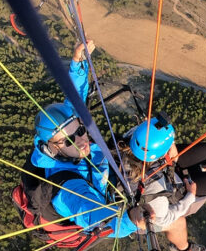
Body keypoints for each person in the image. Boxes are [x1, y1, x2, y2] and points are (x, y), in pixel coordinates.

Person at [29, 40, 144, 239]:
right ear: (52, 150)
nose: (81, 139)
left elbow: (75, 100)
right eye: (68, 141)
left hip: (100, 172)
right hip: (102, 198)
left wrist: (78, 63)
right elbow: (91, 214)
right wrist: (128, 222)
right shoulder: (67, 190)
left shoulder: (75, 151)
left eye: (81, 130)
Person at [118, 116, 206, 251]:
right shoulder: (154, 195)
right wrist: (190, 195)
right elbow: (167, 218)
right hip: (176, 192)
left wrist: (169, 152)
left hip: (167, 168)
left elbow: (153, 139)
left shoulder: (132, 139)